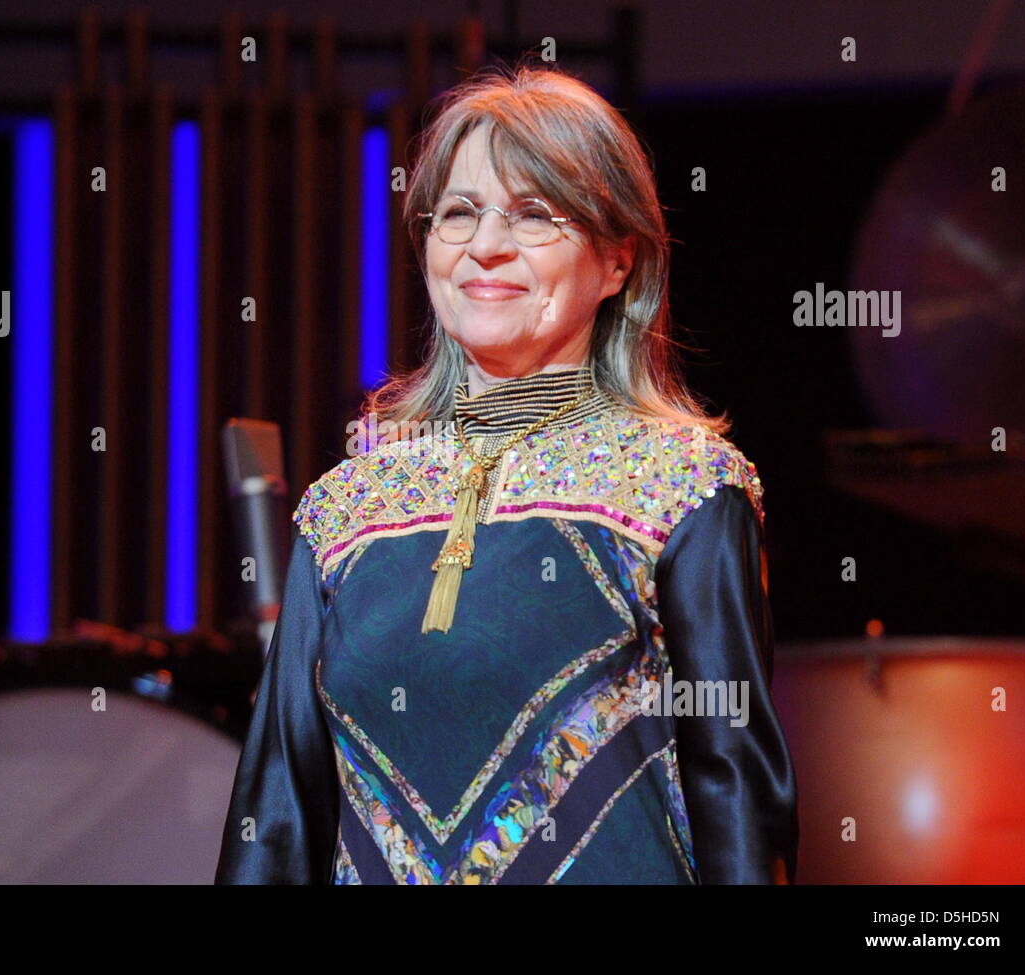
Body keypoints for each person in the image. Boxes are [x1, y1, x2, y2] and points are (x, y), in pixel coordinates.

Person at [214, 64, 798, 885]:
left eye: (533, 214)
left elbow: (734, 790)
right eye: (458, 213)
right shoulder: (346, 510)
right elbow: (276, 810)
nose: (486, 245)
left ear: (617, 260)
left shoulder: (686, 487)